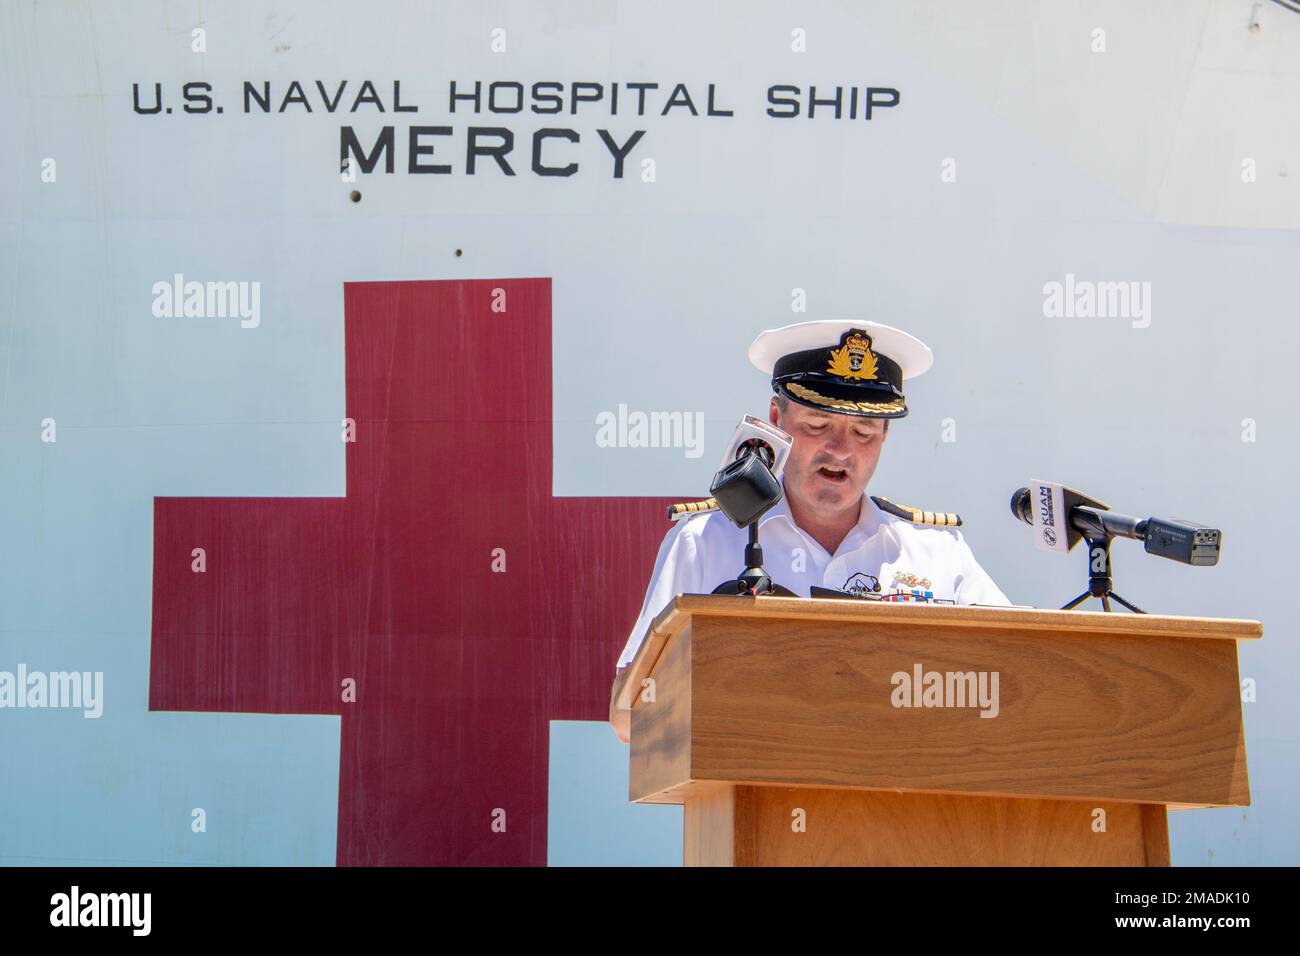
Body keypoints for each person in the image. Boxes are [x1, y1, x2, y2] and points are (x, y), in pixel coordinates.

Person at [608, 320, 1011, 742]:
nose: (840, 449)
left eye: (863, 432)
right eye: (818, 425)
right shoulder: (706, 541)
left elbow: (1014, 673)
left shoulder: (936, 552)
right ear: (775, 418)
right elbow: (630, 714)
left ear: (886, 434)